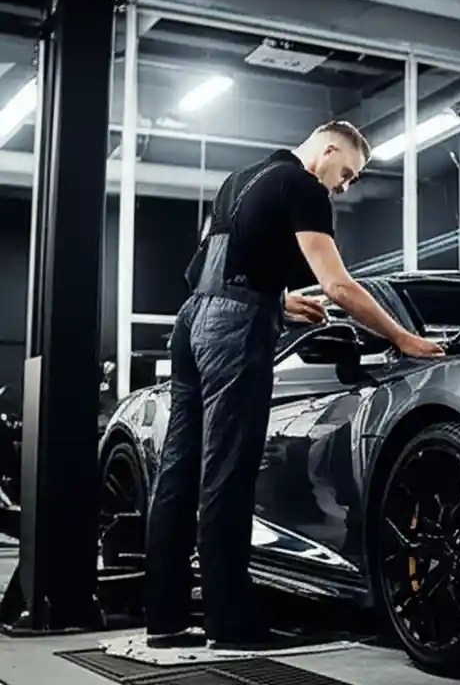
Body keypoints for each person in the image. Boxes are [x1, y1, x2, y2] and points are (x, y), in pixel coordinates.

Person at [143, 120, 444, 650]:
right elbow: (338, 286)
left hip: (190, 323)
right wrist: (404, 338)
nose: (345, 186)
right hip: (236, 328)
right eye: (347, 172)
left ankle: (164, 619)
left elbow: (202, 276)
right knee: (227, 474)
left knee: (179, 473)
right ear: (328, 150)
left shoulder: (240, 180)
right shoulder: (304, 187)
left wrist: (278, 300)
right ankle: (230, 625)